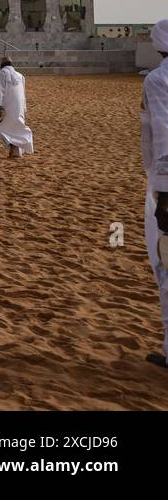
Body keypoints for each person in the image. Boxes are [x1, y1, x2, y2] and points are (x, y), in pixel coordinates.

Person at [140, 19, 168, 369]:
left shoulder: (158, 80)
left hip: (166, 184)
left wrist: (163, 192)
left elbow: (163, 134)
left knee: (165, 262)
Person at [0, 57, 34, 157]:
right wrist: (24, 108)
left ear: (2, 65)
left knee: (0, 127)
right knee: (16, 127)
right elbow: (23, 94)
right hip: (19, 106)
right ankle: (15, 151)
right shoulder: (20, 75)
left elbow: (0, 89)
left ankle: (14, 149)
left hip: (8, 104)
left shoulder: (2, 72)